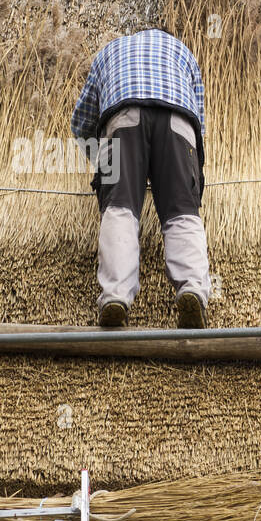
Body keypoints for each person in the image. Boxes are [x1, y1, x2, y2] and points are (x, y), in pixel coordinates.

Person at [70, 27, 211, 328]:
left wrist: (104, 165)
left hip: (123, 118)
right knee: (182, 211)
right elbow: (198, 123)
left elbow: (81, 122)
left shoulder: (108, 52)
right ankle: (193, 290)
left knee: (119, 208)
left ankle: (116, 297)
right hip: (177, 120)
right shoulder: (182, 50)